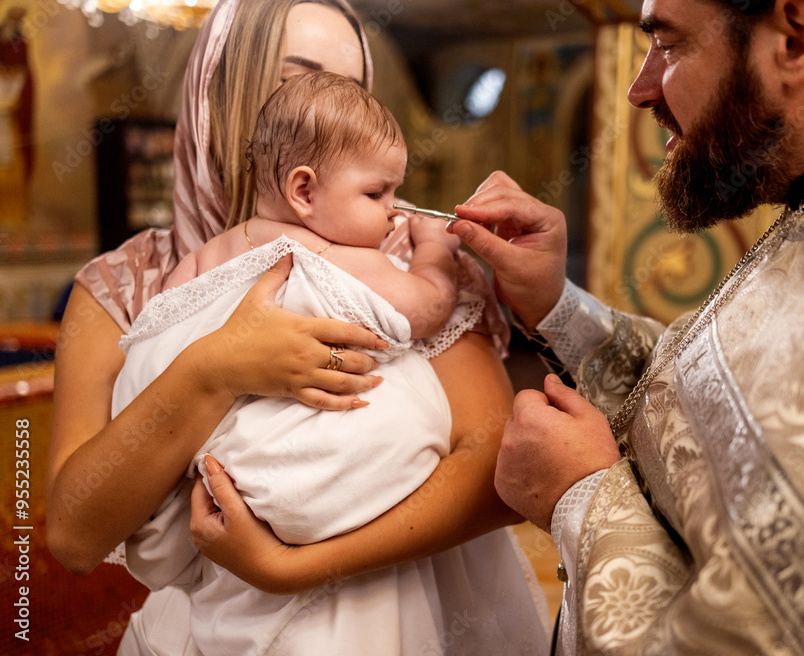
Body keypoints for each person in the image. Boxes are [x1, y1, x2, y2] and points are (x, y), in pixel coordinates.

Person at [439, 0, 804, 654]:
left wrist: (583, 500)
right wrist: (557, 305)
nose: (640, 88)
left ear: (797, 38)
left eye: (670, 46)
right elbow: (714, 398)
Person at [47, 0, 547, 654]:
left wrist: (293, 568)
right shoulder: (128, 282)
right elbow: (75, 536)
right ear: (215, 90)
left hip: (396, 619)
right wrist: (212, 369)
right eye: (293, 79)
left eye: (349, 92)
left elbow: (493, 473)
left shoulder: (410, 269)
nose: (322, 108)